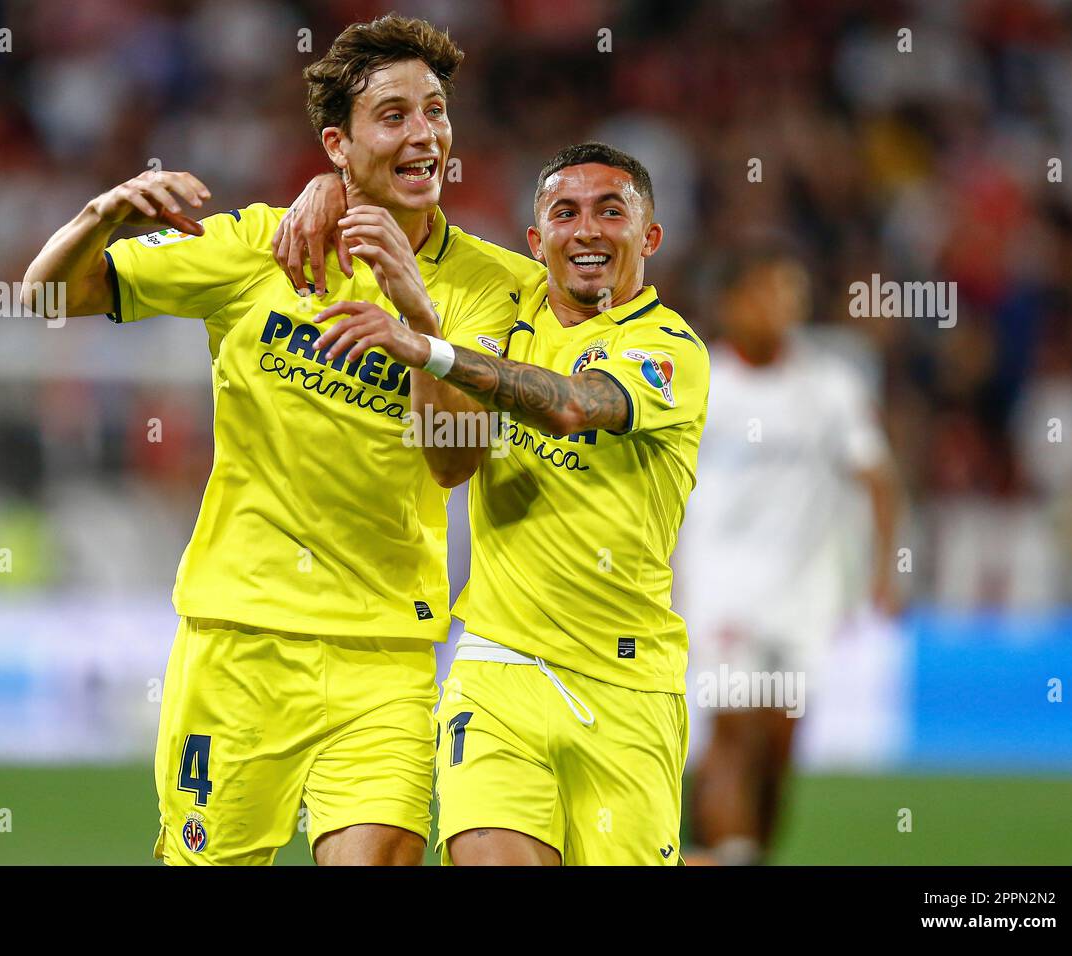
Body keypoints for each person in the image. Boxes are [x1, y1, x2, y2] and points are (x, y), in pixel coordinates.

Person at [21, 15, 521, 866]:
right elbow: (41, 299)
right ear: (339, 142)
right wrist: (102, 214)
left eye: (435, 111)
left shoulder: (496, 285)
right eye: (394, 115)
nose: (425, 134)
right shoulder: (261, 246)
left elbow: (452, 462)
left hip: (387, 646)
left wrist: (418, 316)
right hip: (239, 635)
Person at [306, 142, 710, 864]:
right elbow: (410, 214)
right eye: (565, 213)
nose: (586, 230)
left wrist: (431, 351)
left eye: (610, 211)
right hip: (497, 668)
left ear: (649, 237)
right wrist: (326, 191)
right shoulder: (504, 303)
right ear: (536, 241)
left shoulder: (669, 349)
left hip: (626, 685)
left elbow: (575, 408)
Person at [676, 244, 900, 865]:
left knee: (778, 746)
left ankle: (732, 851)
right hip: (721, 587)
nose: (781, 307)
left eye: (790, 293)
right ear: (731, 303)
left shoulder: (830, 386)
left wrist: (884, 571)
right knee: (733, 727)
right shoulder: (699, 382)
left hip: (804, 596)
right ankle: (730, 851)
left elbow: (877, 478)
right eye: (766, 292)